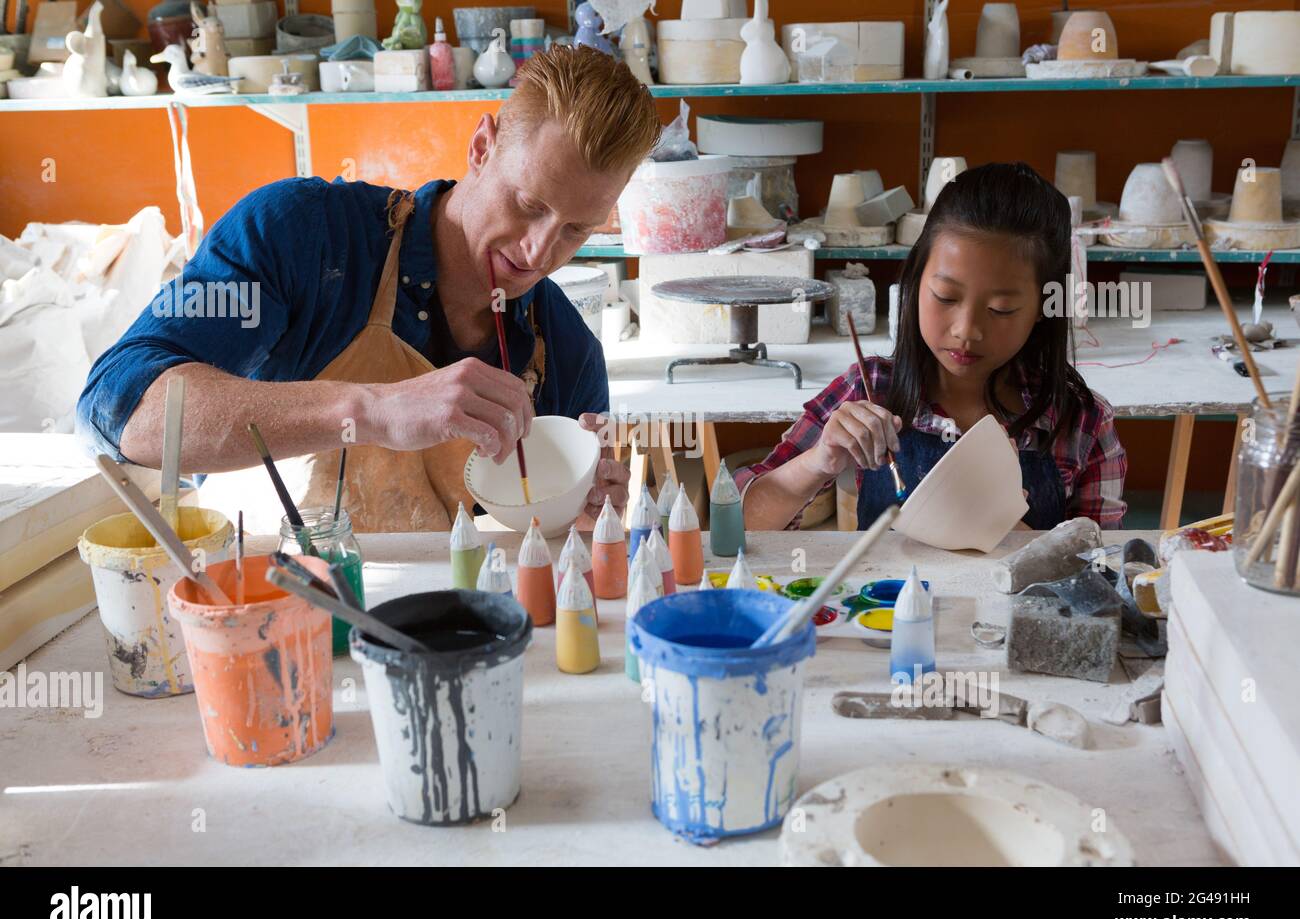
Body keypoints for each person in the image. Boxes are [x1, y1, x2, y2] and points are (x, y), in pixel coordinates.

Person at [76, 46, 661, 532]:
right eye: (528, 205)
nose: (537, 252)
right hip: (258, 607)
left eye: (575, 230)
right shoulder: (301, 234)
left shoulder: (566, 351)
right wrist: (373, 409)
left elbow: (551, 554)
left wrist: (587, 515)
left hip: (438, 635)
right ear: (482, 148)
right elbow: (117, 405)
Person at [737, 162, 1127, 533]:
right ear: (915, 281)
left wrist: (1004, 523)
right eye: (944, 296)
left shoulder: (1080, 422)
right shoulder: (870, 389)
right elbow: (742, 526)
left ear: (1045, 306)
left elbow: (1097, 577)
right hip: (886, 604)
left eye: (1000, 309)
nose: (967, 330)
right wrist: (818, 461)